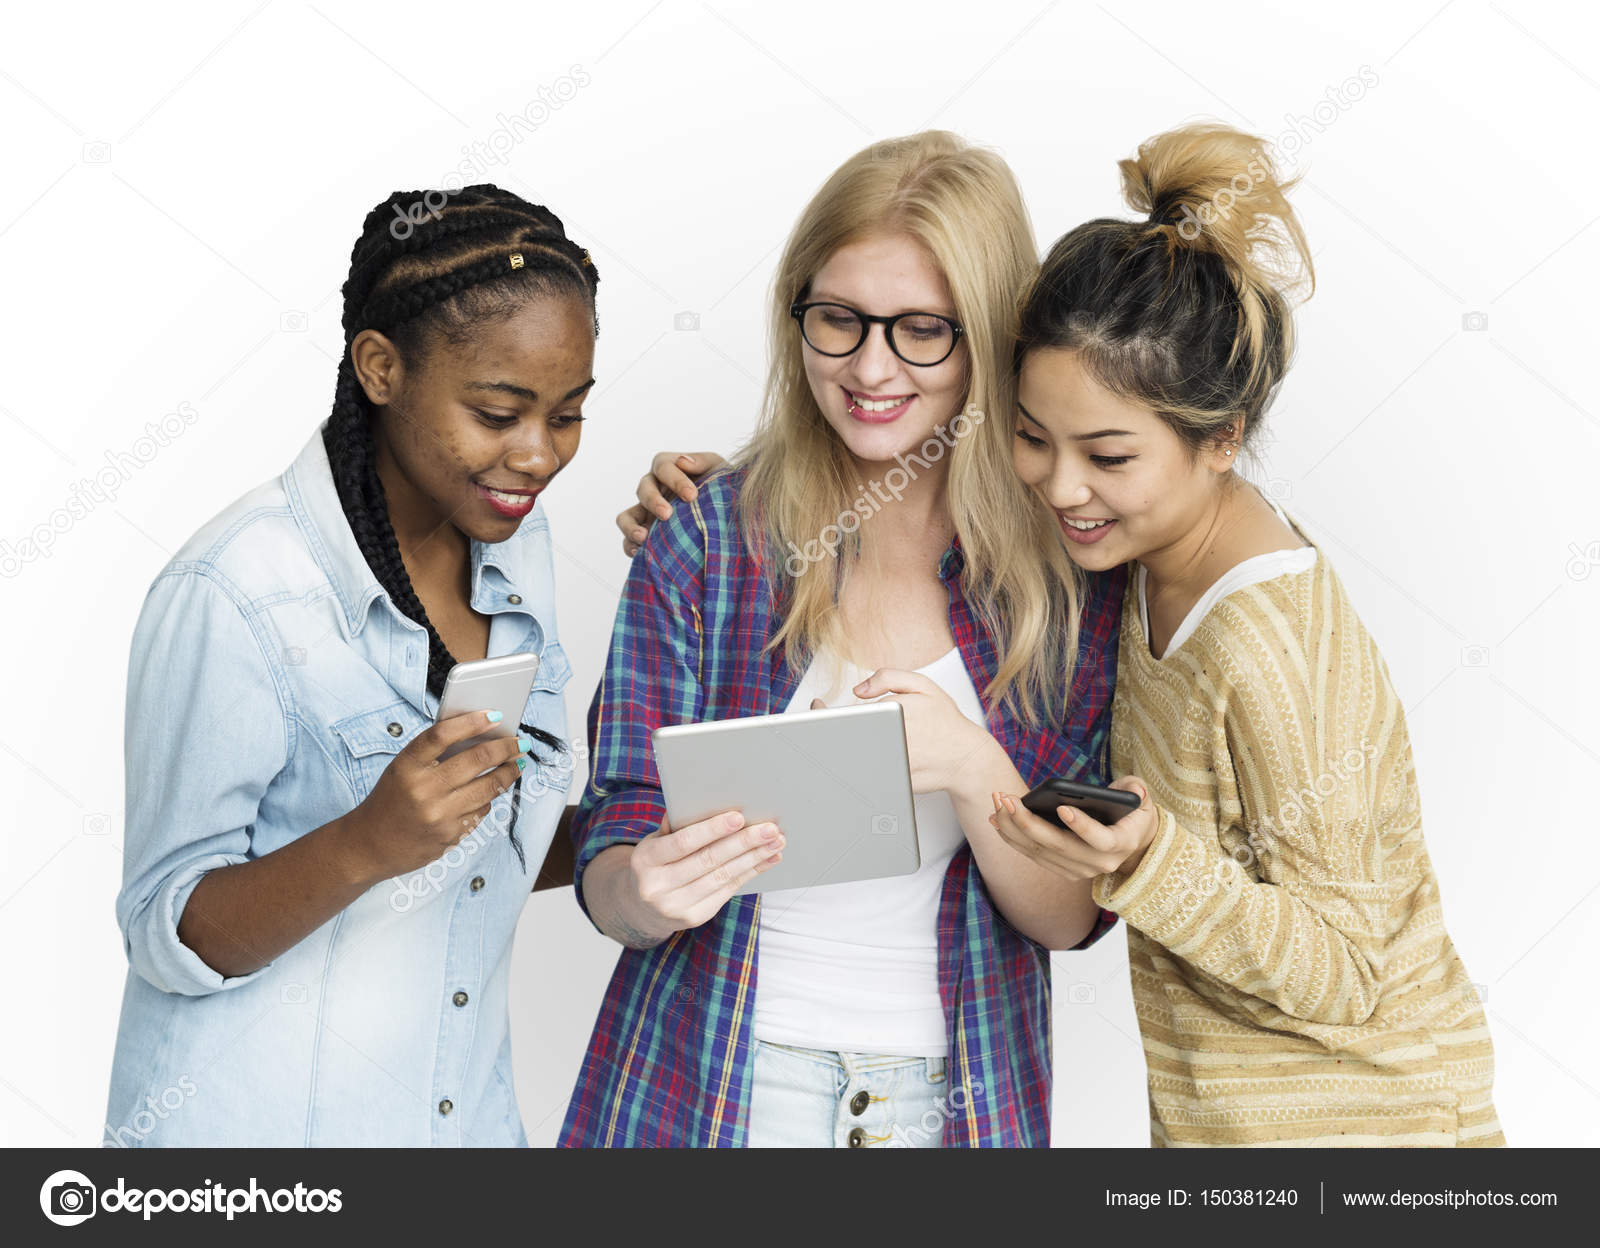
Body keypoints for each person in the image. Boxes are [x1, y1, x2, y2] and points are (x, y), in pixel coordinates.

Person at [562, 131, 1125, 1148]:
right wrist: (643, 894)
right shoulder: (705, 543)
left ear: (991, 338)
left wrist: (971, 767)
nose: (870, 367)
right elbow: (613, 844)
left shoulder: (1066, 584)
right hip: (712, 1097)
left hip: (952, 1105)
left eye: (922, 331)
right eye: (838, 320)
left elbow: (1068, 917)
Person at [989, 123, 1504, 1146]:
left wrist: (1146, 858)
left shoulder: (1269, 649)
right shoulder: (1141, 556)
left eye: (1107, 456)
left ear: (1221, 439)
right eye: (1032, 437)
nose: (1060, 486)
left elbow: (1346, 970)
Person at [107, 185, 596, 1146]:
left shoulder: (517, 549)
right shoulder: (236, 589)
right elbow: (169, 932)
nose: (539, 456)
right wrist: (367, 841)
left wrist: (649, 828)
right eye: (498, 412)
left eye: (569, 414)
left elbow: (489, 846)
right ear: (380, 368)